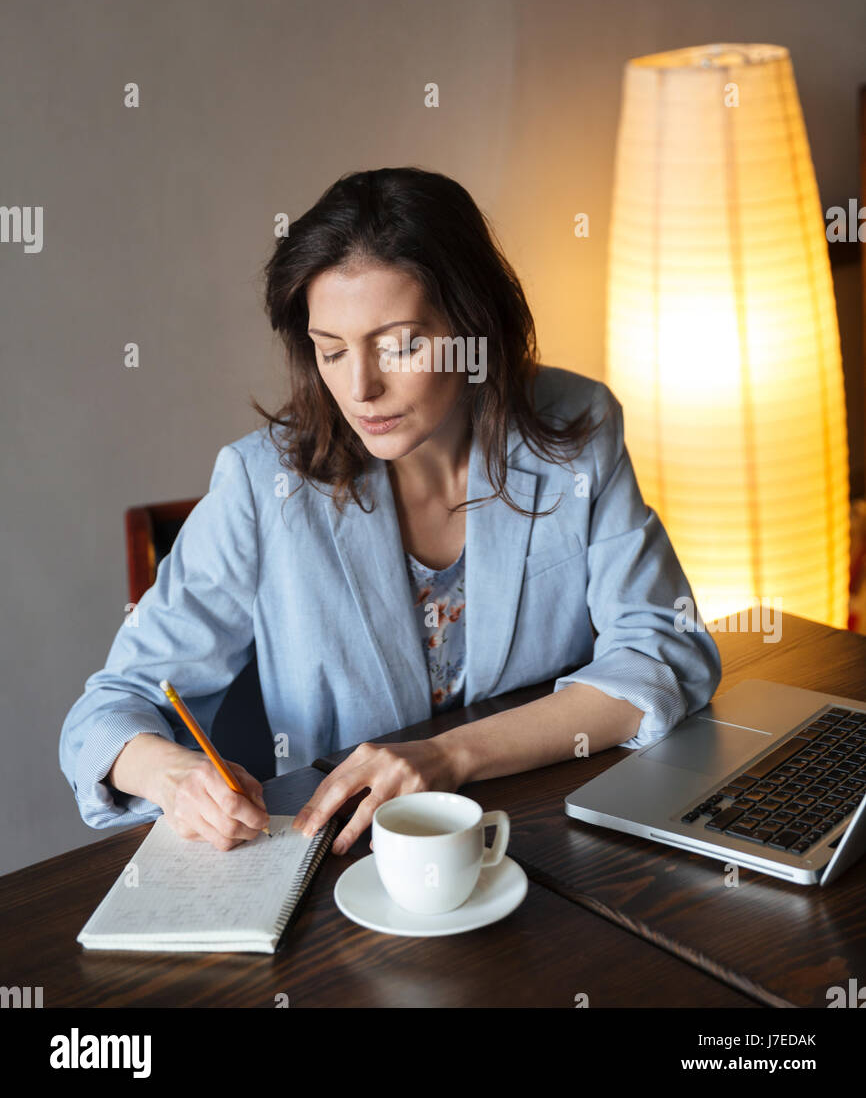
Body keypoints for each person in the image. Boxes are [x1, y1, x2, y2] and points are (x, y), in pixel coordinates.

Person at [59, 166, 721, 855]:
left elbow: (662, 649)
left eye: (400, 344)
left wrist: (450, 755)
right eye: (332, 351)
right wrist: (176, 777)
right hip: (353, 860)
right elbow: (107, 710)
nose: (361, 387)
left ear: (474, 325)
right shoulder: (260, 487)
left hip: (553, 834)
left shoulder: (577, 427)